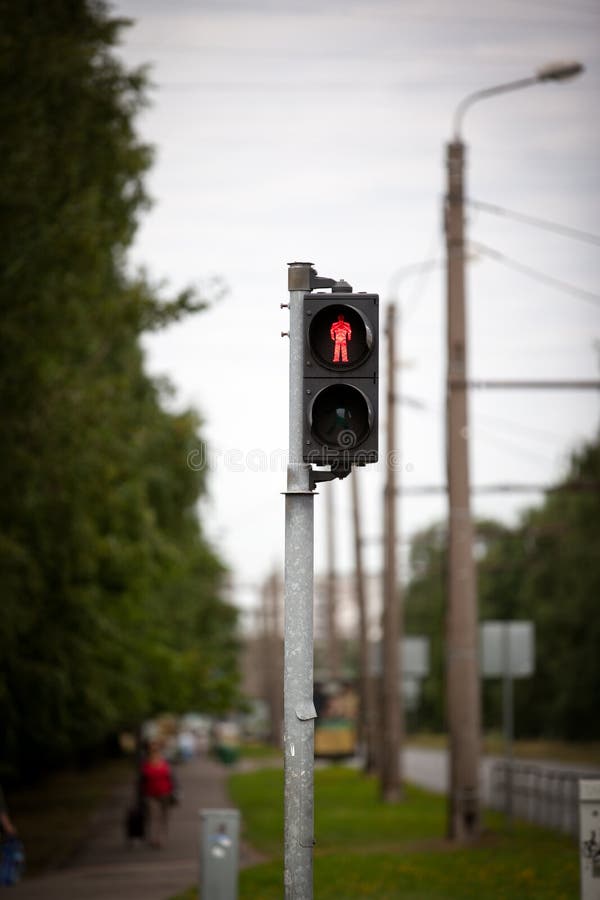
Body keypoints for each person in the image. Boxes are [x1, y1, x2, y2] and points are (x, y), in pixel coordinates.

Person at [139, 741, 176, 848]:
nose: (154, 752)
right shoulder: (145, 763)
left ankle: (162, 837)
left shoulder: (165, 762)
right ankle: (155, 839)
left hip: (165, 793)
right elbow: (141, 781)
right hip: (150, 794)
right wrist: (140, 795)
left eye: (156, 750)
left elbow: (172, 778)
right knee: (153, 816)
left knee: (164, 816)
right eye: (152, 750)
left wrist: (174, 791)